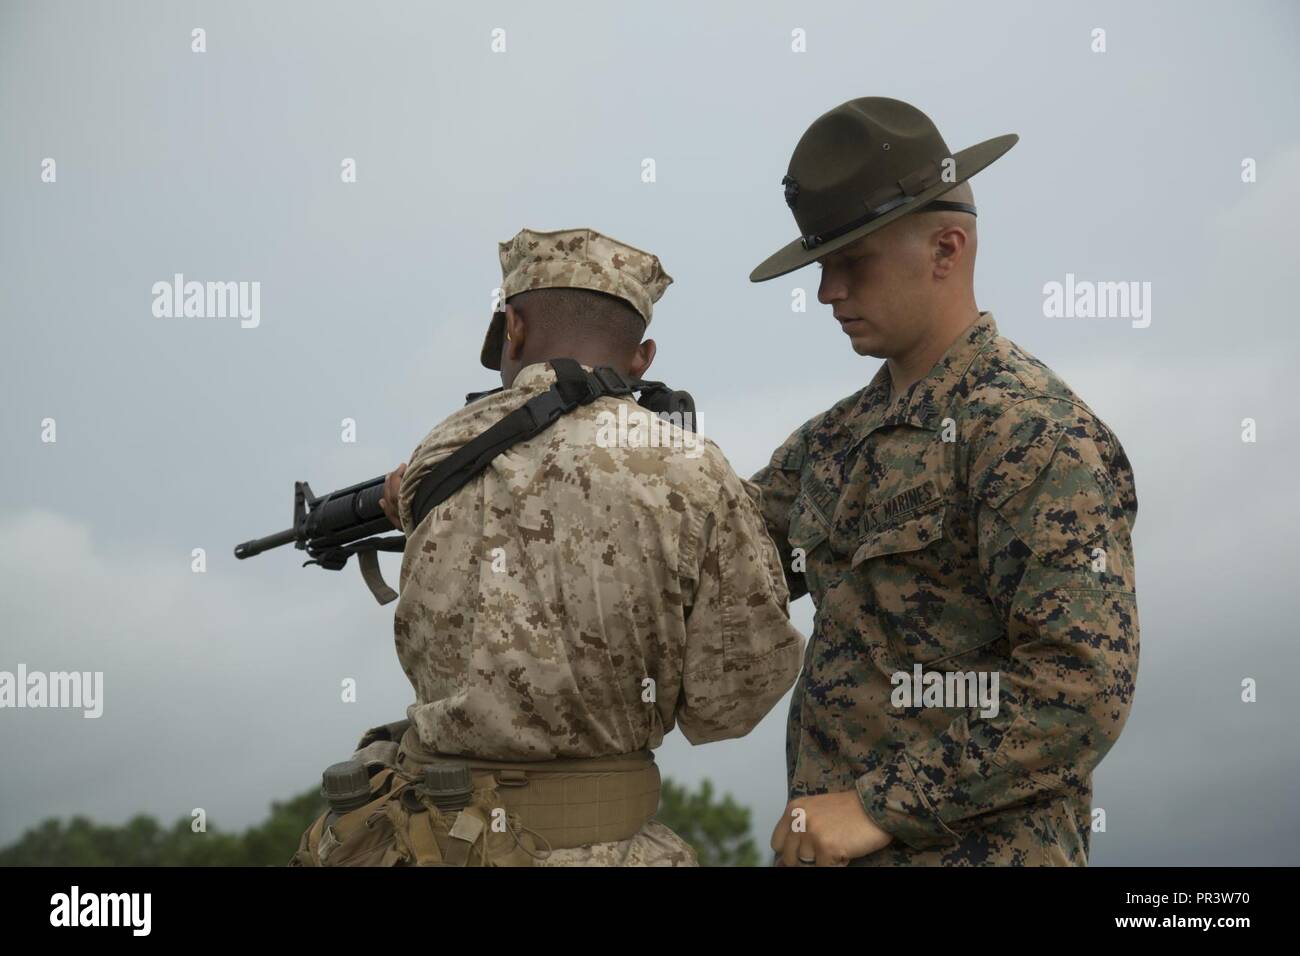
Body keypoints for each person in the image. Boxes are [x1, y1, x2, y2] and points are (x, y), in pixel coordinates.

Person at [750, 98, 1139, 866]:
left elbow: (1081, 684)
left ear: (947, 248)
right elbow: (715, 553)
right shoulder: (833, 443)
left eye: (851, 262)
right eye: (821, 264)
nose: (827, 291)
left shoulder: (1033, 433)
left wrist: (878, 805)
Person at [375, 226, 804, 866]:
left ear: (513, 328)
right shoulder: (693, 470)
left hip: (429, 846)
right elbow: (728, 705)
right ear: (643, 358)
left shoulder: (436, 458)